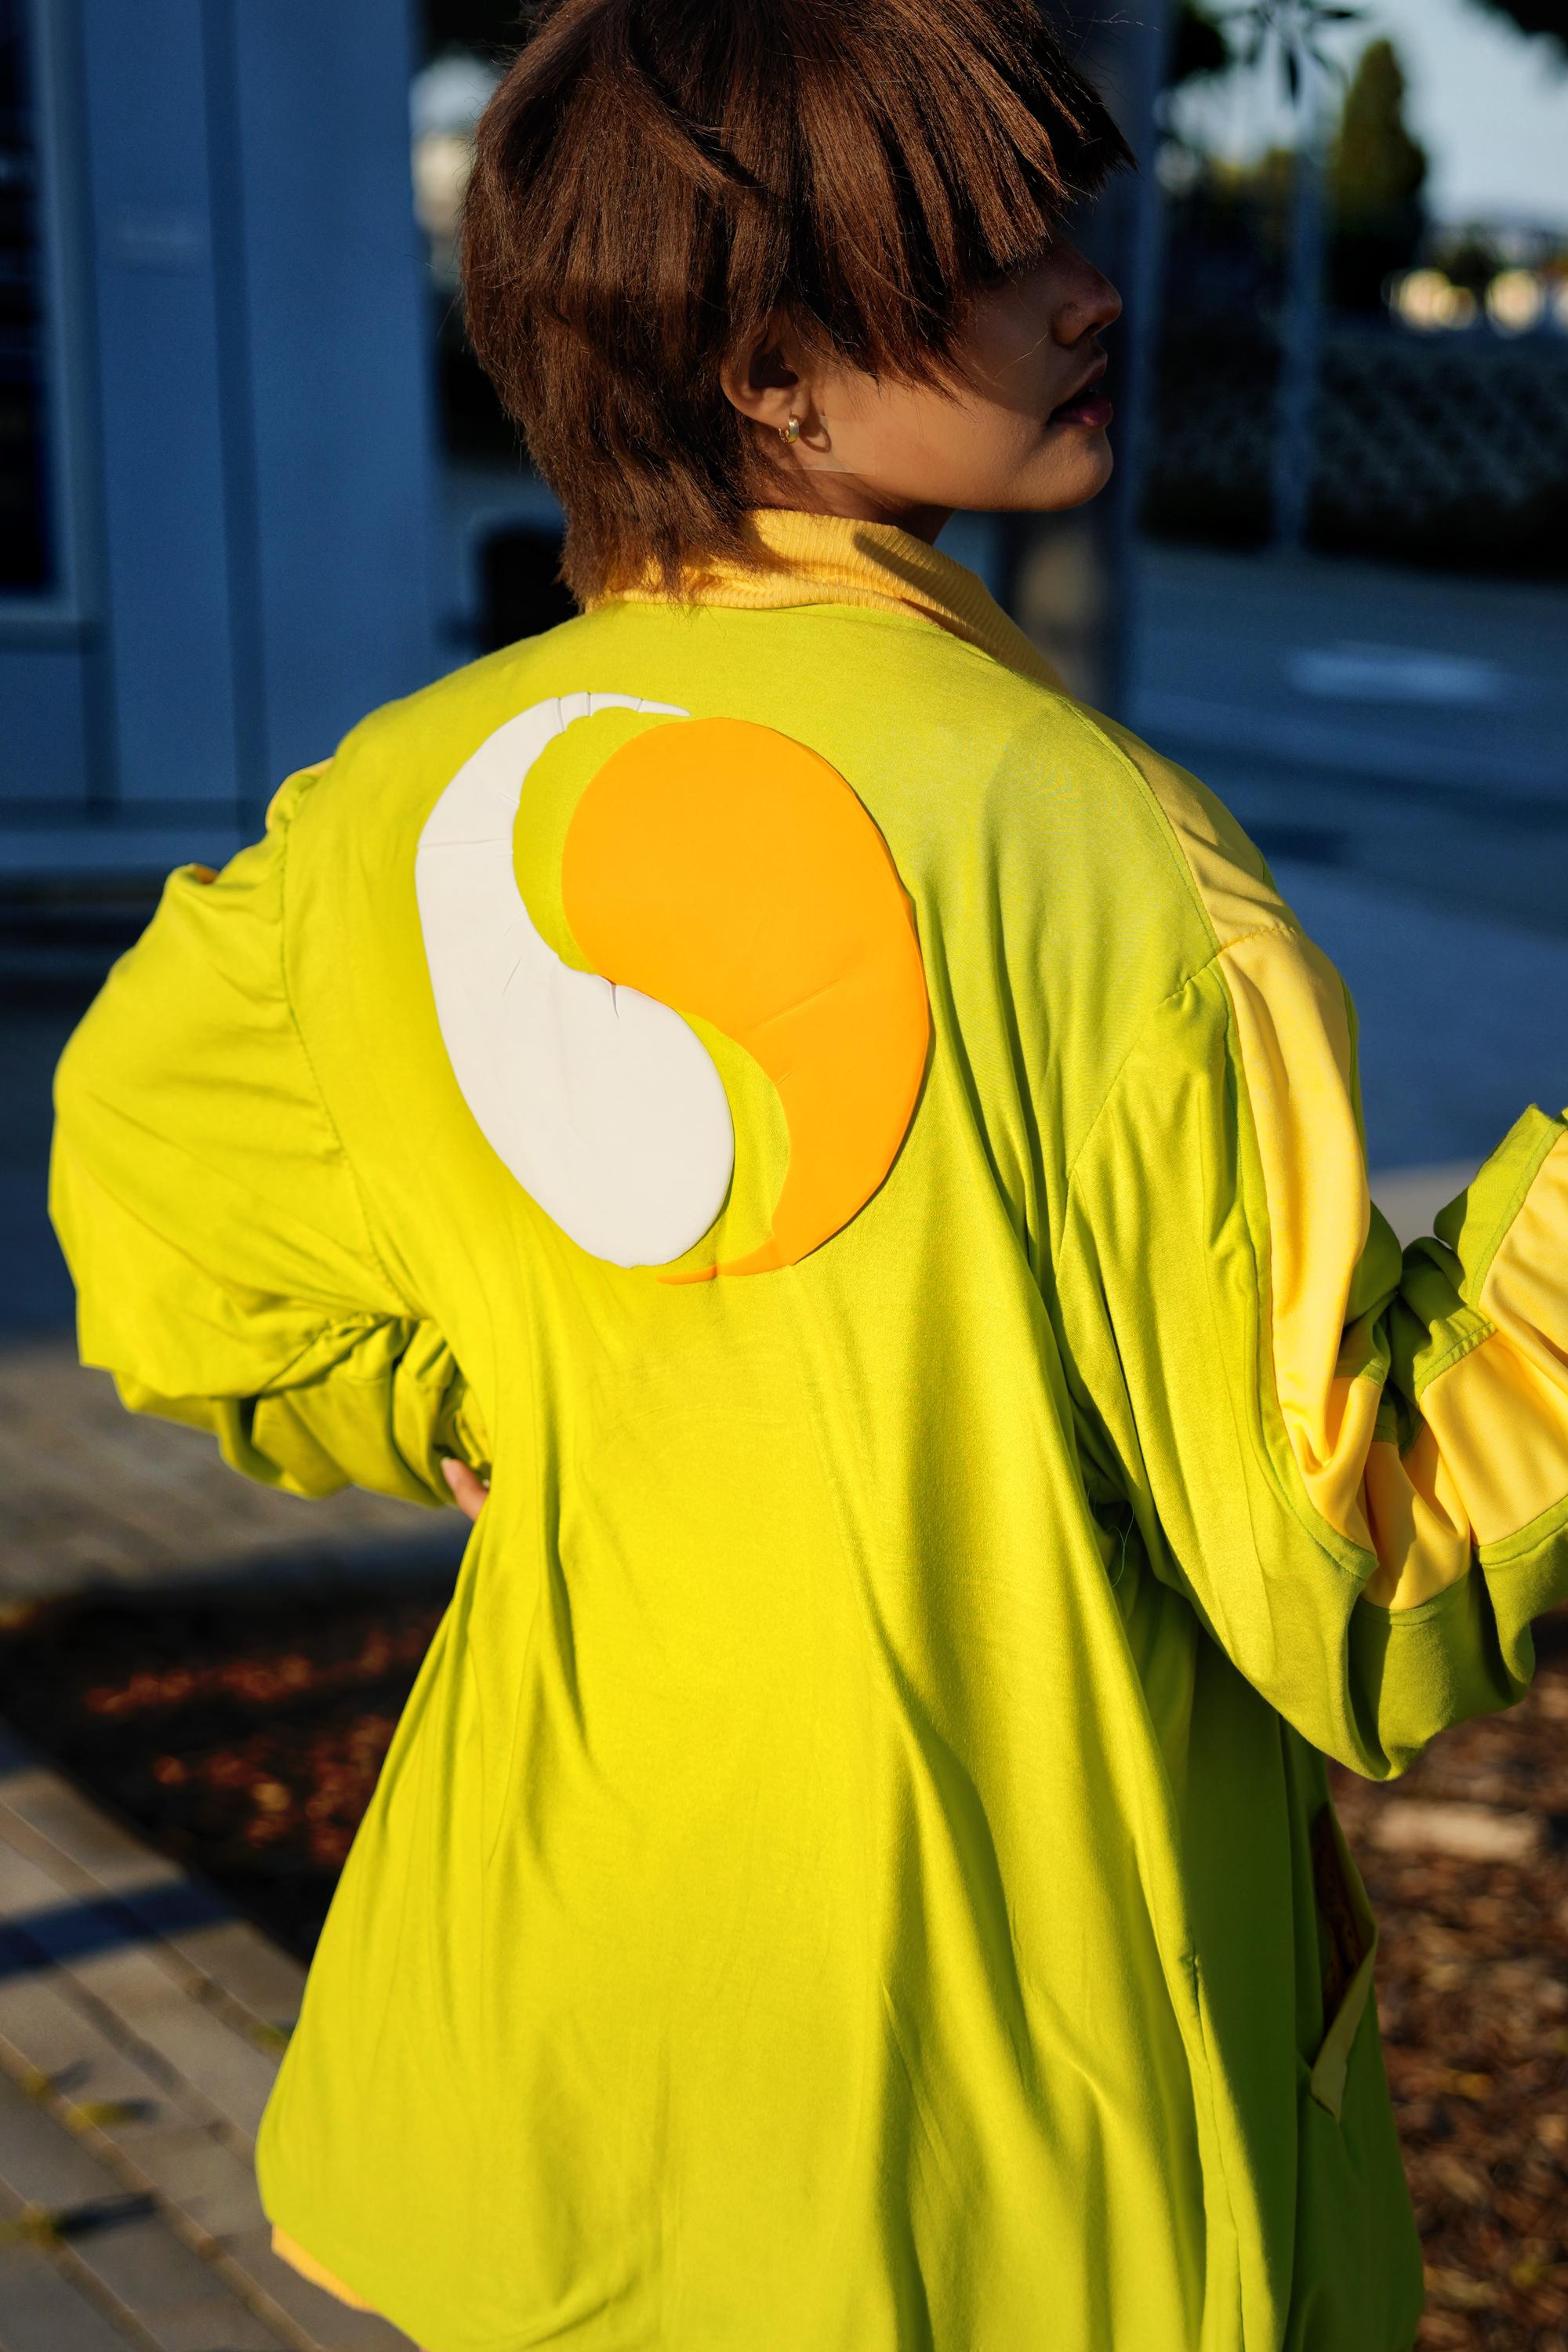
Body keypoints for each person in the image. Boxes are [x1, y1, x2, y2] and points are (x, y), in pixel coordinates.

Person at [49, 1, 1568, 2346]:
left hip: (543, 2075)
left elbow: (166, 1218)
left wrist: (463, 1399)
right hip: (998, 2149)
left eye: (1067, 217)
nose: (1093, 289)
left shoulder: (371, 809)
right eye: (995, 249)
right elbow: (1365, 1574)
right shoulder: (1095, 851)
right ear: (767, 372)